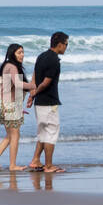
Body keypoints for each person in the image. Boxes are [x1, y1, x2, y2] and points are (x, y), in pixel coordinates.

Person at [0, 44, 35, 171]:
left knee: (9, 136)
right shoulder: (12, 66)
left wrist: (19, 108)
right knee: (15, 135)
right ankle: (13, 165)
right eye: (19, 52)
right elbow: (18, 84)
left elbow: (11, 89)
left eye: (23, 52)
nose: (22, 55)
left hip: (6, 105)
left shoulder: (8, 66)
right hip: (9, 105)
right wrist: (33, 85)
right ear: (12, 53)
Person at [27, 32, 68, 173]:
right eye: (66, 44)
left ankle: (35, 160)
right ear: (60, 44)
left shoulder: (41, 56)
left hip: (39, 102)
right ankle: (49, 166)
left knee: (43, 132)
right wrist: (36, 92)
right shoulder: (54, 60)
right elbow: (45, 82)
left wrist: (32, 93)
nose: (66, 48)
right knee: (51, 133)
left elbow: (34, 75)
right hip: (49, 101)